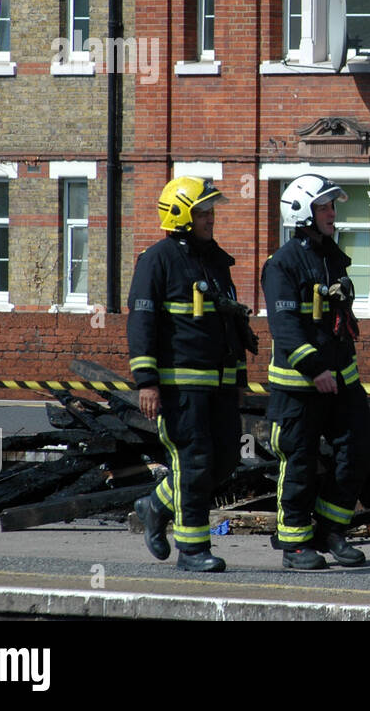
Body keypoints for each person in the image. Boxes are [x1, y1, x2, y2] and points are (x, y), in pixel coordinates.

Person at [129, 177, 251, 573]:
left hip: (218, 386)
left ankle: (156, 505)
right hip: (180, 389)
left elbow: (230, 324)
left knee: (227, 459)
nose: (210, 218)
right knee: (194, 463)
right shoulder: (157, 260)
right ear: (181, 214)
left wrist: (237, 379)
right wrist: (146, 382)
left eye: (211, 210)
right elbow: (141, 323)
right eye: (202, 211)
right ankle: (193, 550)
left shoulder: (216, 261)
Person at [261, 174, 370, 569]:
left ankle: (331, 530)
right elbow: (285, 327)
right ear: (302, 213)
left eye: (332, 206)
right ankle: (294, 544)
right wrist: (314, 368)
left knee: (359, 449)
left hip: (342, 380)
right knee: (299, 461)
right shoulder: (282, 265)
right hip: (299, 387)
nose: (333, 213)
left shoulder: (332, 256)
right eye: (325, 207)